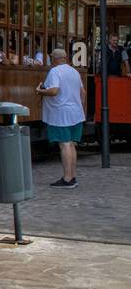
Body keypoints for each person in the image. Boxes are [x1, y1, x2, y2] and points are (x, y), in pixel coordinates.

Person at [37, 47, 85, 189]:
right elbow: (83, 92)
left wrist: (40, 91)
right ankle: (73, 176)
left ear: (55, 59)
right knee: (71, 145)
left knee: (64, 144)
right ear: (65, 58)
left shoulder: (55, 71)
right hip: (76, 113)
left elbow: (54, 90)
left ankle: (67, 178)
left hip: (61, 114)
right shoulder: (74, 72)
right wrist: (78, 106)